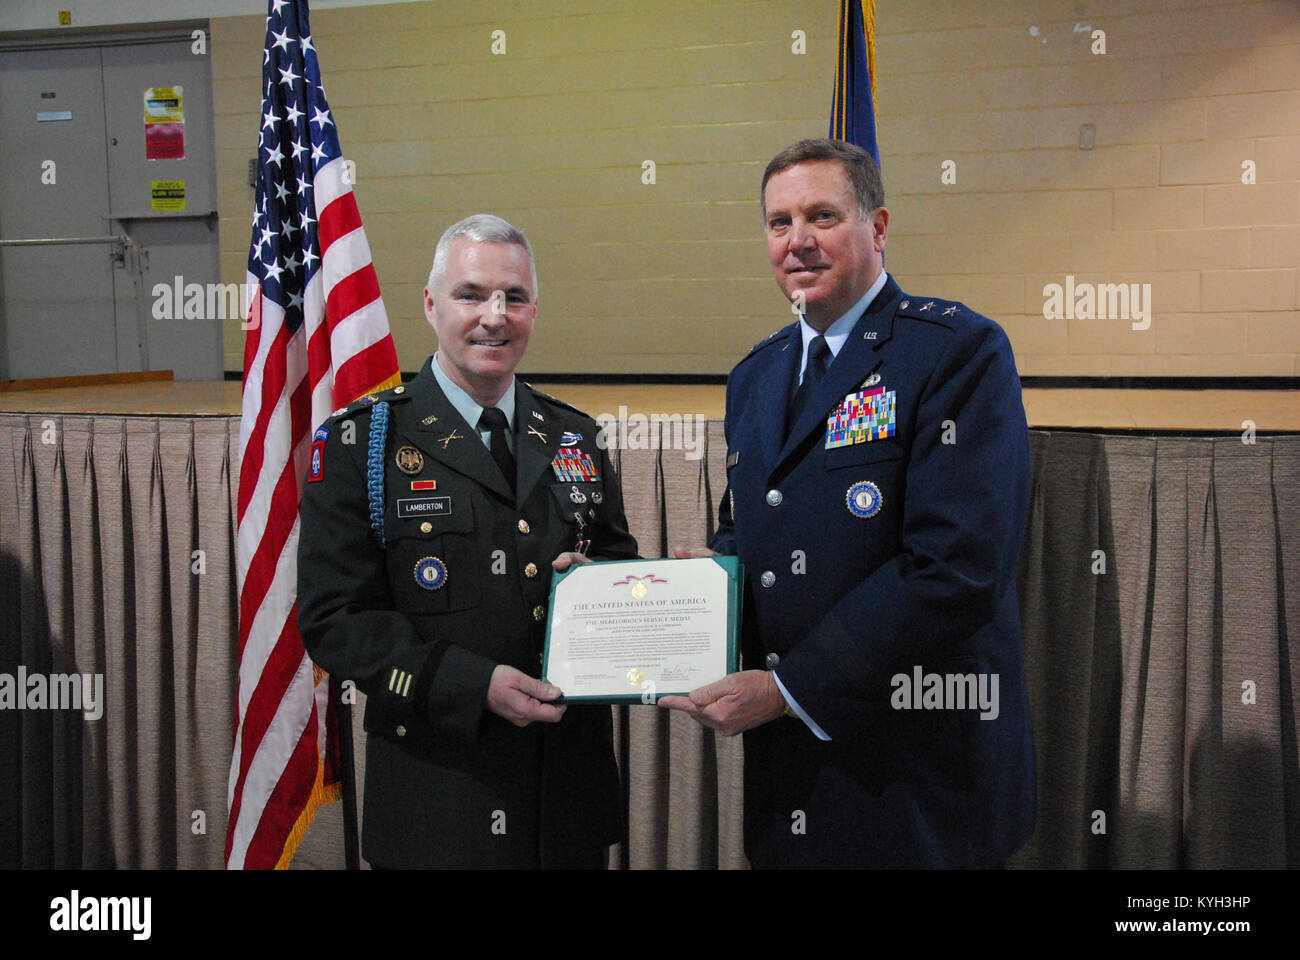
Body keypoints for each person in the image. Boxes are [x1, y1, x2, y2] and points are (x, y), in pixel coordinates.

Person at [660, 139, 1036, 868]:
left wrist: (791, 688)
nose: (797, 240)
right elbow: (753, 526)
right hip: (791, 769)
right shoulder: (757, 375)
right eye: (778, 222)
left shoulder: (955, 351)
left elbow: (955, 566)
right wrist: (702, 581)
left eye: (822, 215)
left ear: (879, 226)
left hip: (916, 766)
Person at [297, 214, 638, 868]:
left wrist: (613, 592)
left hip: (564, 802)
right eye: (471, 294)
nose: (495, 316)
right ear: (430, 305)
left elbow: (616, 565)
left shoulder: (575, 437)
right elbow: (336, 621)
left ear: (535, 309)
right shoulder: (361, 444)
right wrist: (470, 684)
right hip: (440, 798)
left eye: (515, 297)